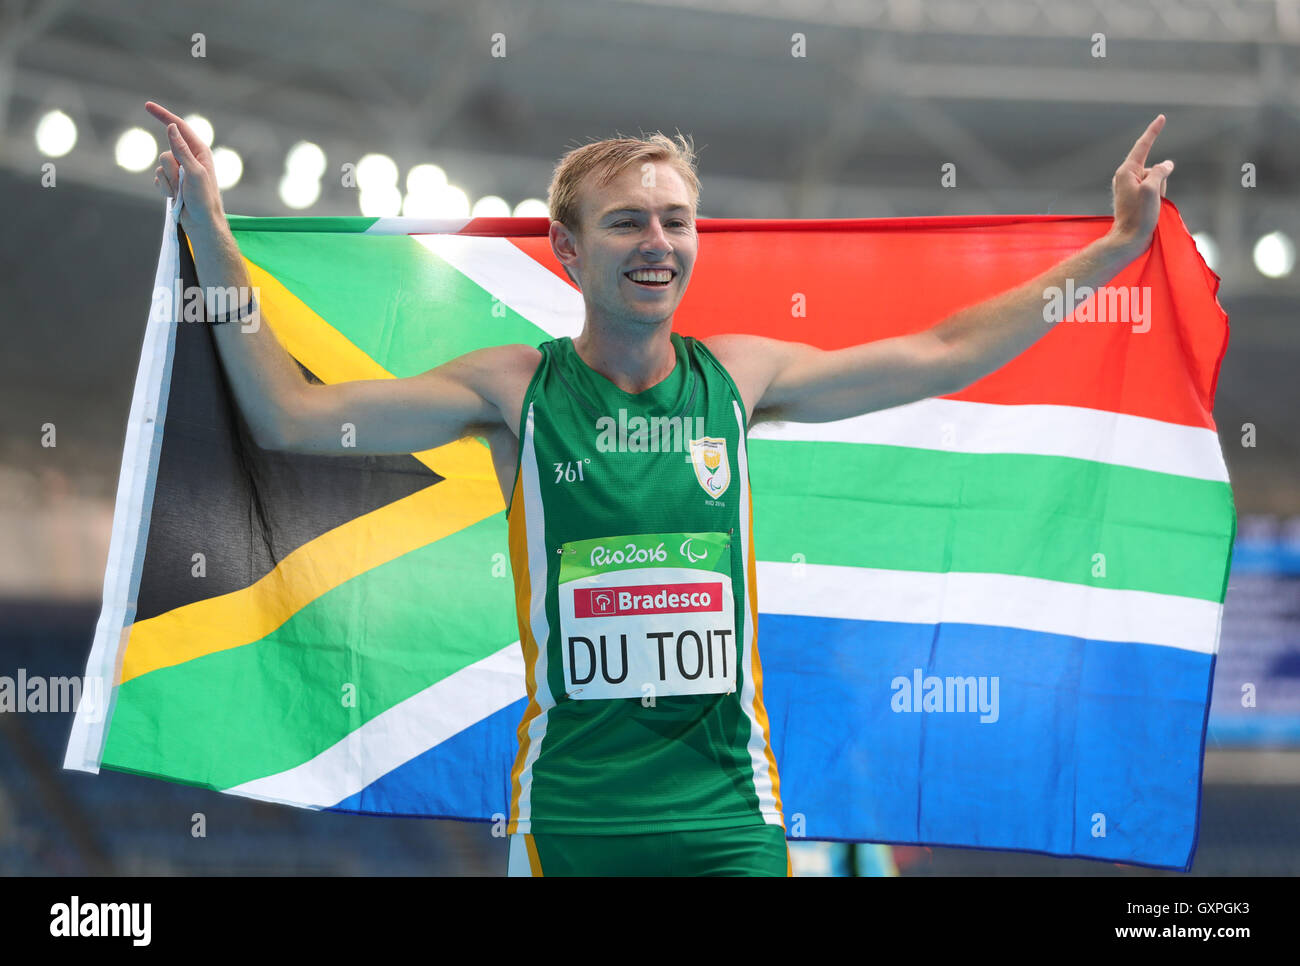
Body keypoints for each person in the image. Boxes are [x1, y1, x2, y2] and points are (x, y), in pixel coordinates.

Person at [145, 101, 1174, 876]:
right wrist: (210, 229)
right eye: (629, 222)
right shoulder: (514, 391)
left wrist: (1116, 246)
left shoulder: (737, 379)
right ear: (568, 247)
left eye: (677, 221)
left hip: (730, 820)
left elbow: (945, 351)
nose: (658, 244)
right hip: (572, 822)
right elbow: (286, 413)